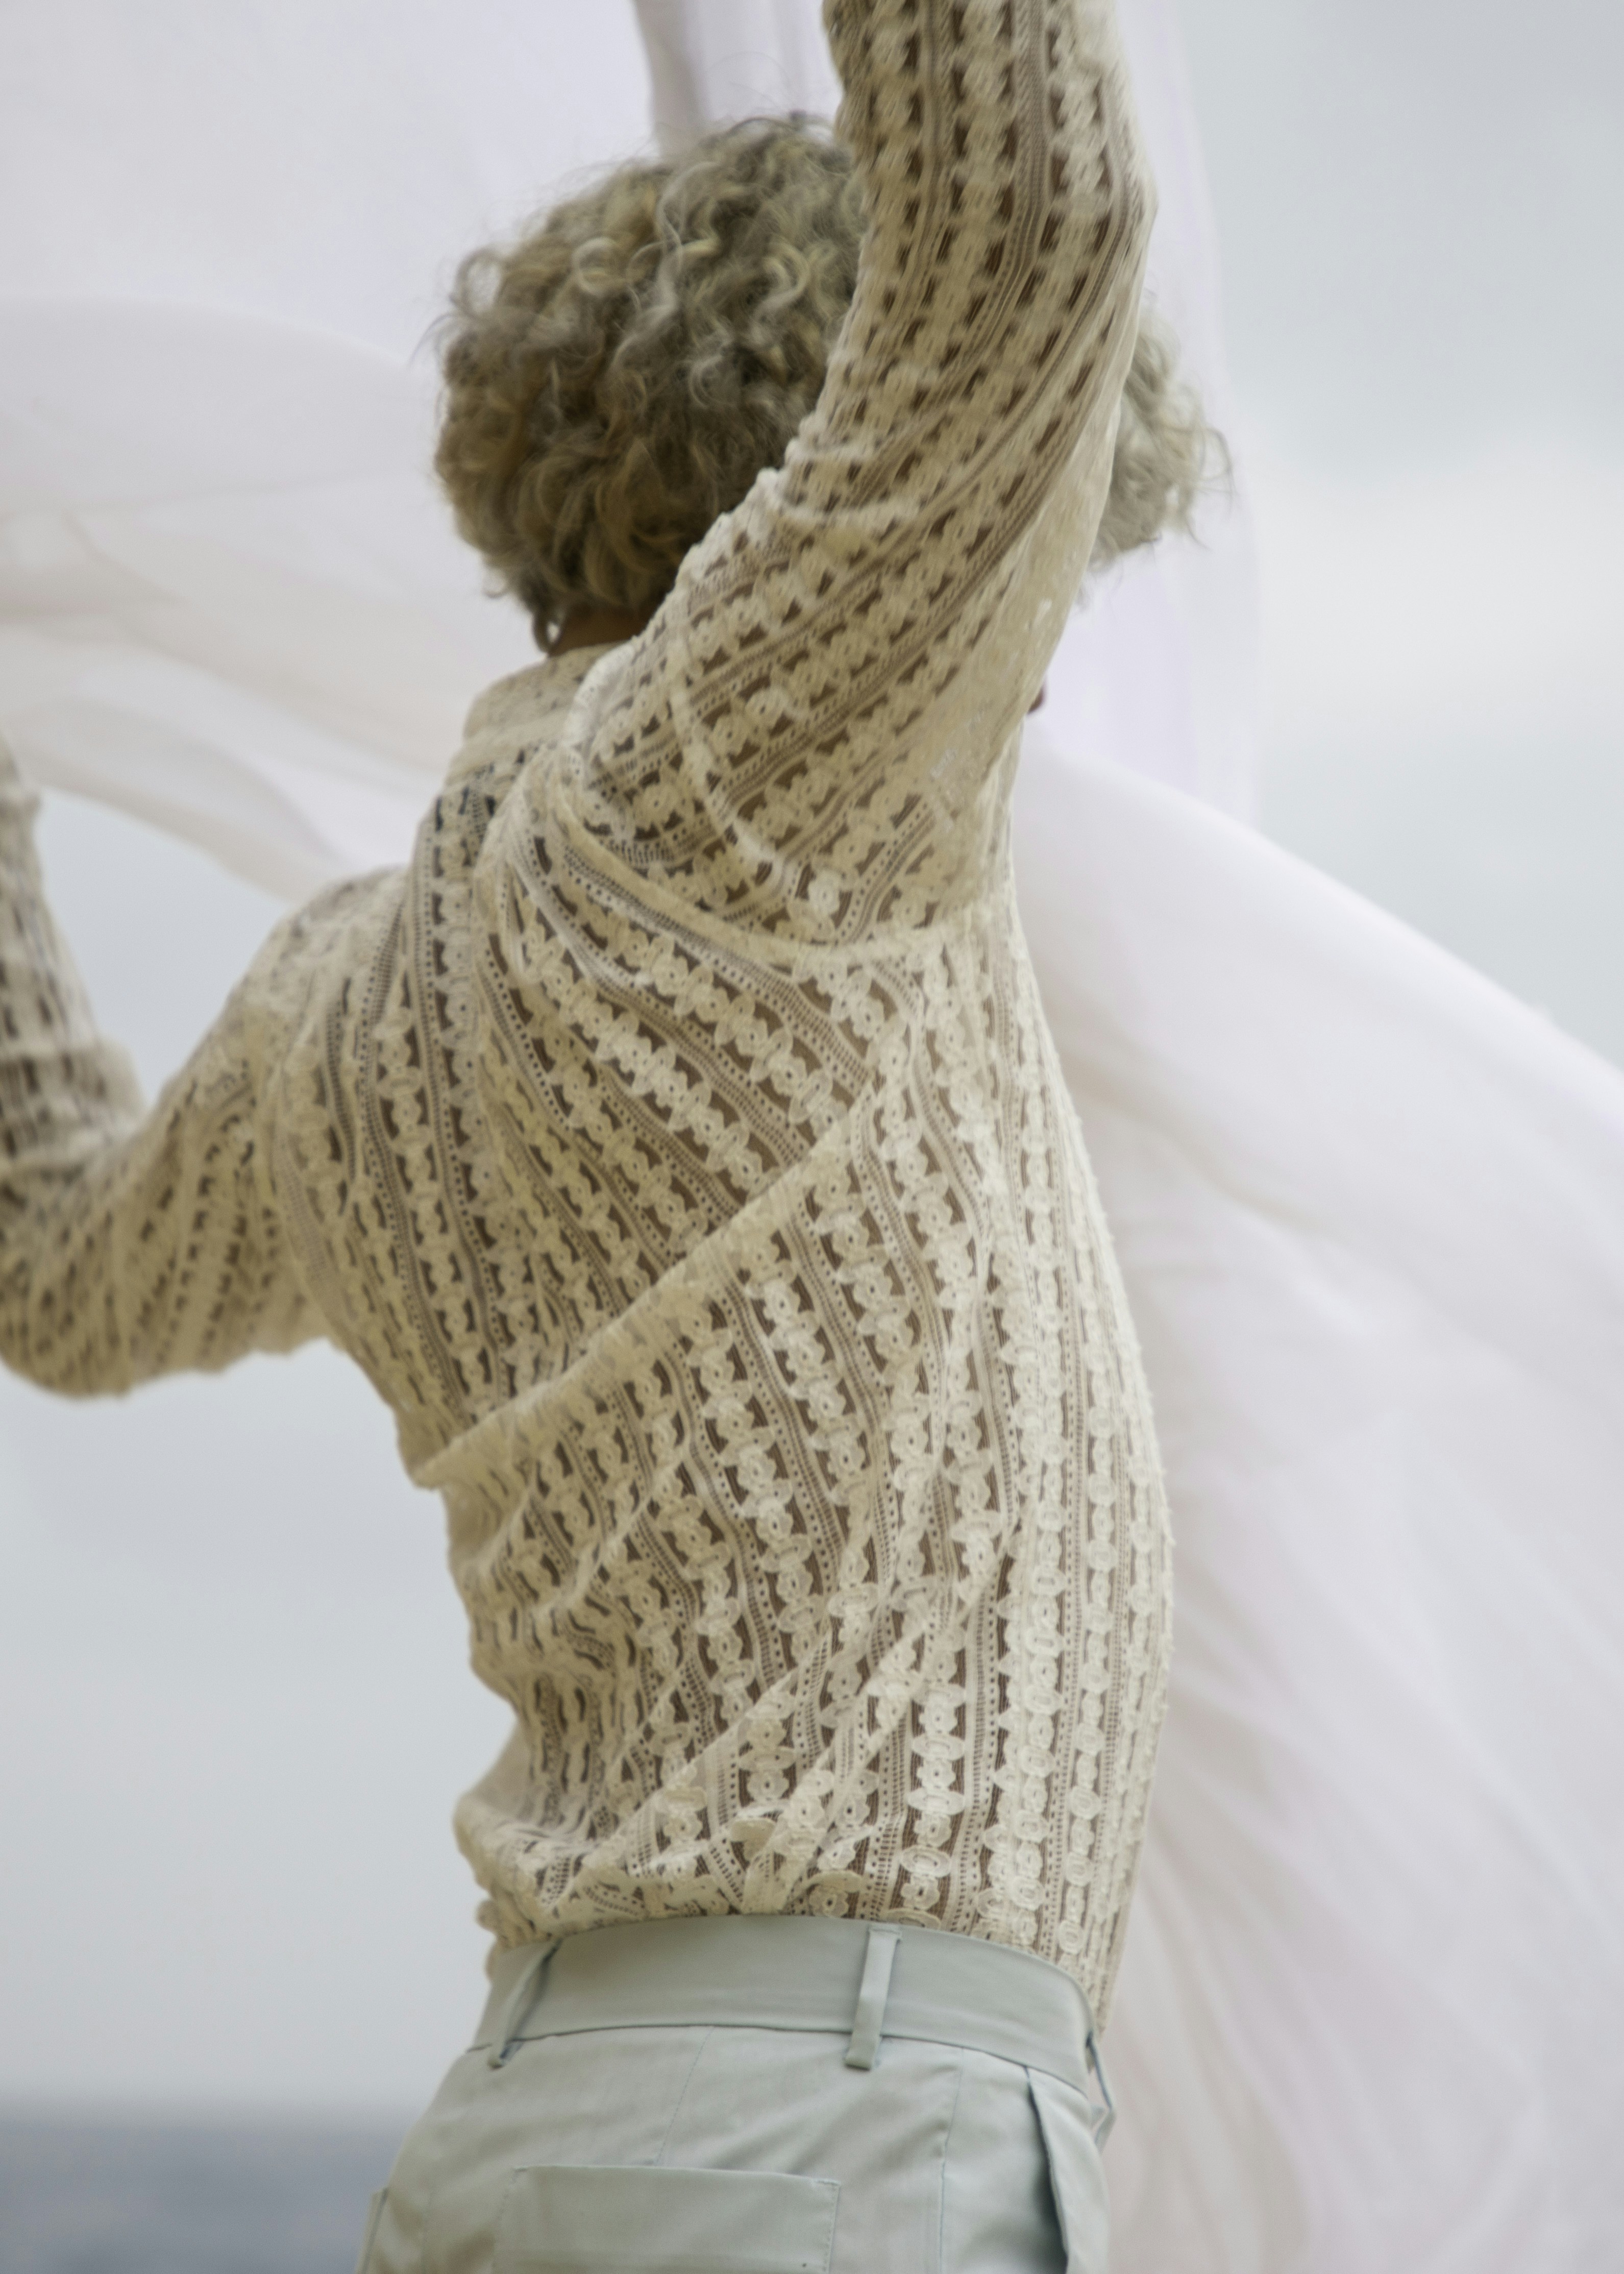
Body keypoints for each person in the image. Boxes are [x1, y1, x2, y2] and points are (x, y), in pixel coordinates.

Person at [0, 2, 1217, 2266]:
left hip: (539, 2122)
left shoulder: (331, 1004)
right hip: (826, 2143)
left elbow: (55, 1267)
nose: (1029, 668)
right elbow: (1031, 211)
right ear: (836, 519)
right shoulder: (765, 773)